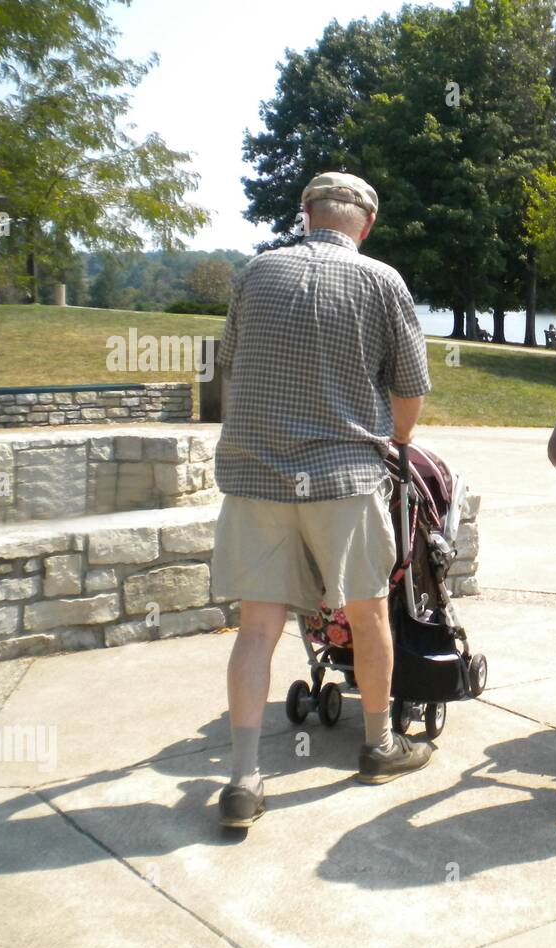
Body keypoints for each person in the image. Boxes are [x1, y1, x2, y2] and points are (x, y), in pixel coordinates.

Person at [211, 171, 434, 829]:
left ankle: (244, 780)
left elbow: (230, 360)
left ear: (306, 214)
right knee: (369, 616)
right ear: (365, 225)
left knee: (257, 629)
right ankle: (377, 744)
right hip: (343, 480)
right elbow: (411, 388)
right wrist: (396, 438)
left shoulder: (255, 274)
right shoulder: (383, 281)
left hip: (256, 480)